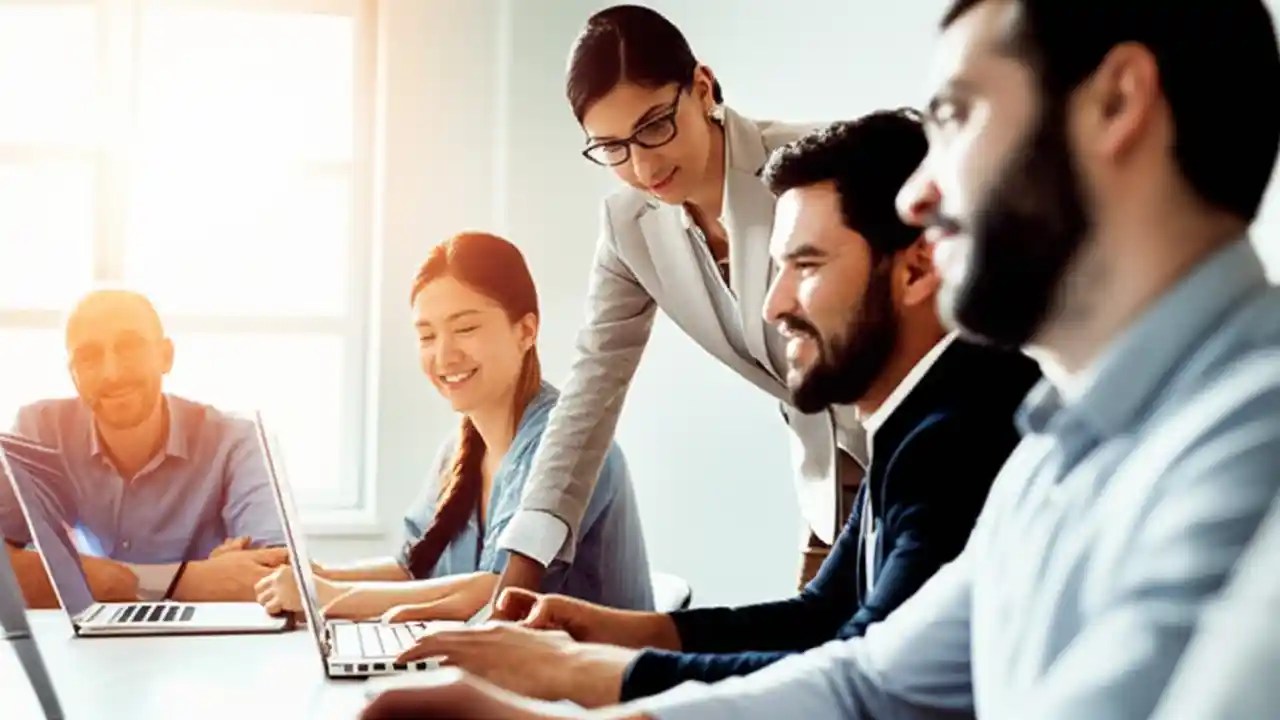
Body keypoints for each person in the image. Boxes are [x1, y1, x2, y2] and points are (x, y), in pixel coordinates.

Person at [360, 0, 1280, 717]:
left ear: (1117, 104)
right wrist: (558, 674)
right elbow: (869, 684)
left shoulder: (1244, 444)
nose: (920, 193)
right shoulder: (1050, 450)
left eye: (956, 118)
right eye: (611, 147)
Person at [388, 112, 1042, 706]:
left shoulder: (959, 439)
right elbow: (819, 615)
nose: (772, 305)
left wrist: (581, 673)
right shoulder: (911, 423)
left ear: (914, 271)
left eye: (805, 265)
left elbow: (861, 678)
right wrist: (619, 630)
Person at [495, 3, 864, 604]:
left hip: (922, 463)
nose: (642, 166)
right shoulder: (629, 225)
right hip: (829, 493)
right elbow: (592, 386)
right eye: (611, 147)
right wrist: (524, 559)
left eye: (654, 127)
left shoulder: (812, 165)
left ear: (701, 87)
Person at [255, 233, 652, 623]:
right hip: (501, 671)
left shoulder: (565, 446)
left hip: (587, 681)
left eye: (465, 329)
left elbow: (494, 591)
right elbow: (413, 568)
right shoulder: (459, 450)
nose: (444, 355)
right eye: (426, 335)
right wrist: (317, 575)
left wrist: (330, 597)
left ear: (526, 331)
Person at [0, 289, 287, 604]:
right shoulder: (38, 430)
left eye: (130, 347)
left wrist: (77, 576)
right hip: (82, 643)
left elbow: (276, 573)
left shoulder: (234, 440)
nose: (113, 373)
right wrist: (185, 580)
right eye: (89, 356)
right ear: (73, 373)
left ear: (166, 356)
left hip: (201, 642)